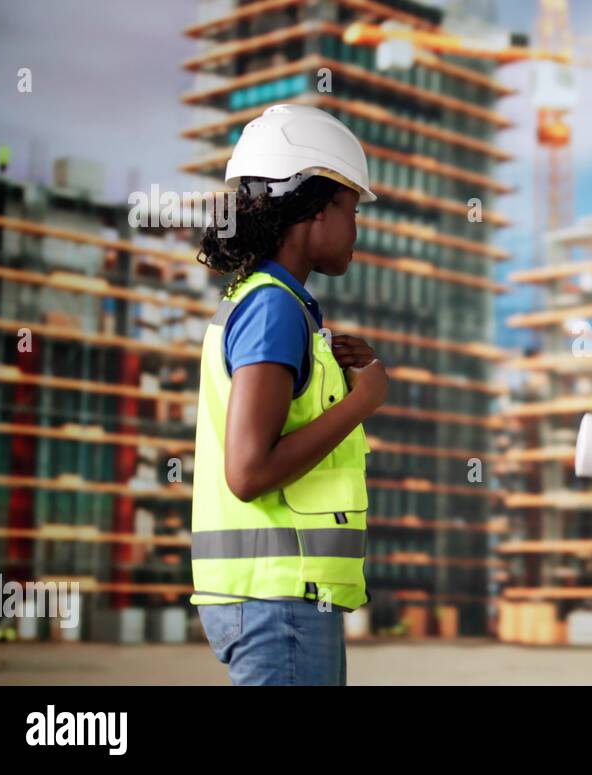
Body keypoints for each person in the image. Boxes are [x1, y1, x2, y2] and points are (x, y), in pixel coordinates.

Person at [190, 104, 388, 685]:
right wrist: (362, 404)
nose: (356, 228)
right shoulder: (274, 306)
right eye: (351, 210)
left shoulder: (274, 303)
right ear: (316, 209)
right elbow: (249, 472)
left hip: (277, 600)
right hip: (277, 602)